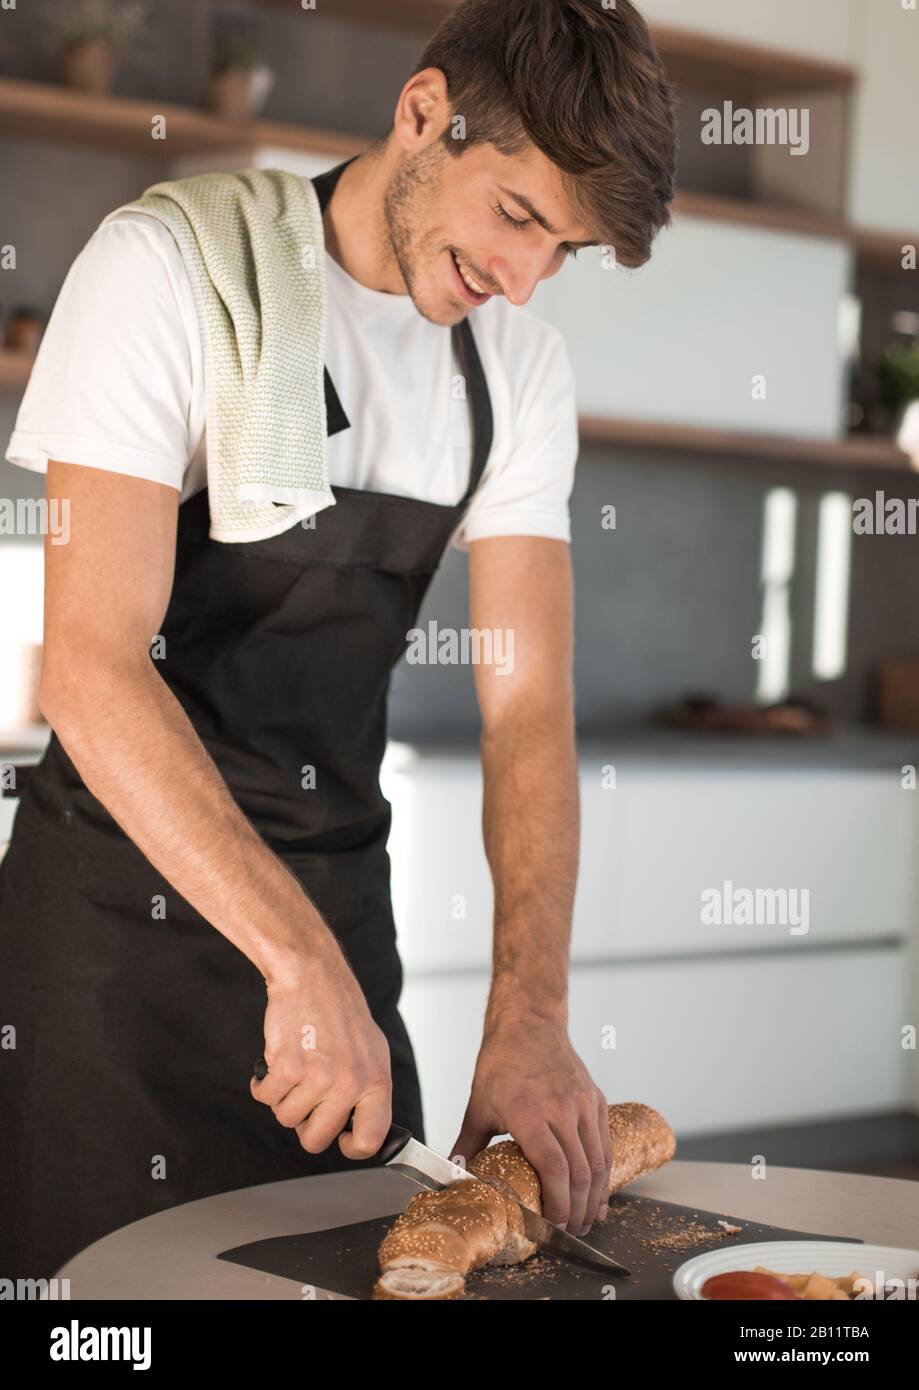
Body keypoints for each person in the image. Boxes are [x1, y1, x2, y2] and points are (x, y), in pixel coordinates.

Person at [0, 0, 676, 1279]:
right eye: (517, 215)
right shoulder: (168, 268)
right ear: (423, 113)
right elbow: (90, 665)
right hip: (108, 957)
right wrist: (292, 955)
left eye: (563, 250)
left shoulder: (516, 374)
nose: (521, 279)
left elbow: (525, 712)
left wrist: (527, 1017)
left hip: (340, 946)